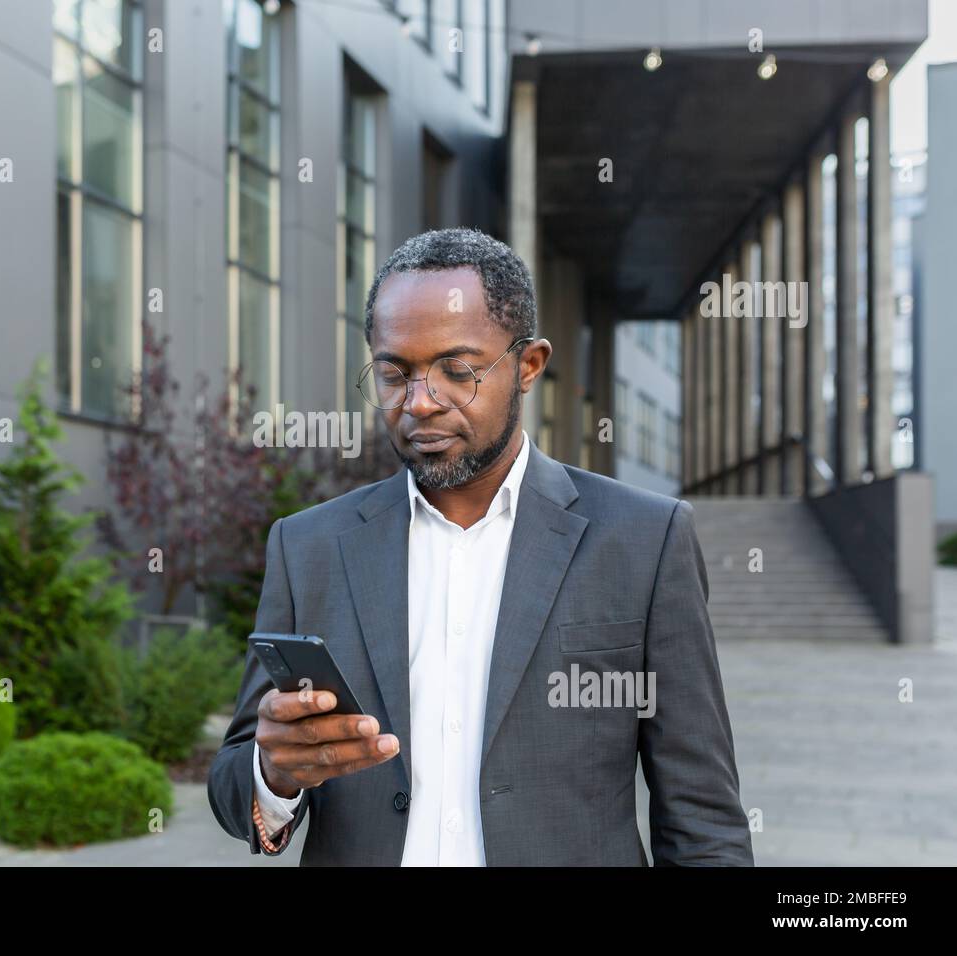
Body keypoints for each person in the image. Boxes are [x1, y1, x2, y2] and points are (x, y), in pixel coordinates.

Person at [207, 227, 753, 866]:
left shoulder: (643, 541)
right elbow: (234, 783)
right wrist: (276, 775)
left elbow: (702, 819)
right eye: (394, 374)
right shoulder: (308, 547)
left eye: (457, 371)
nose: (420, 403)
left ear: (528, 365)